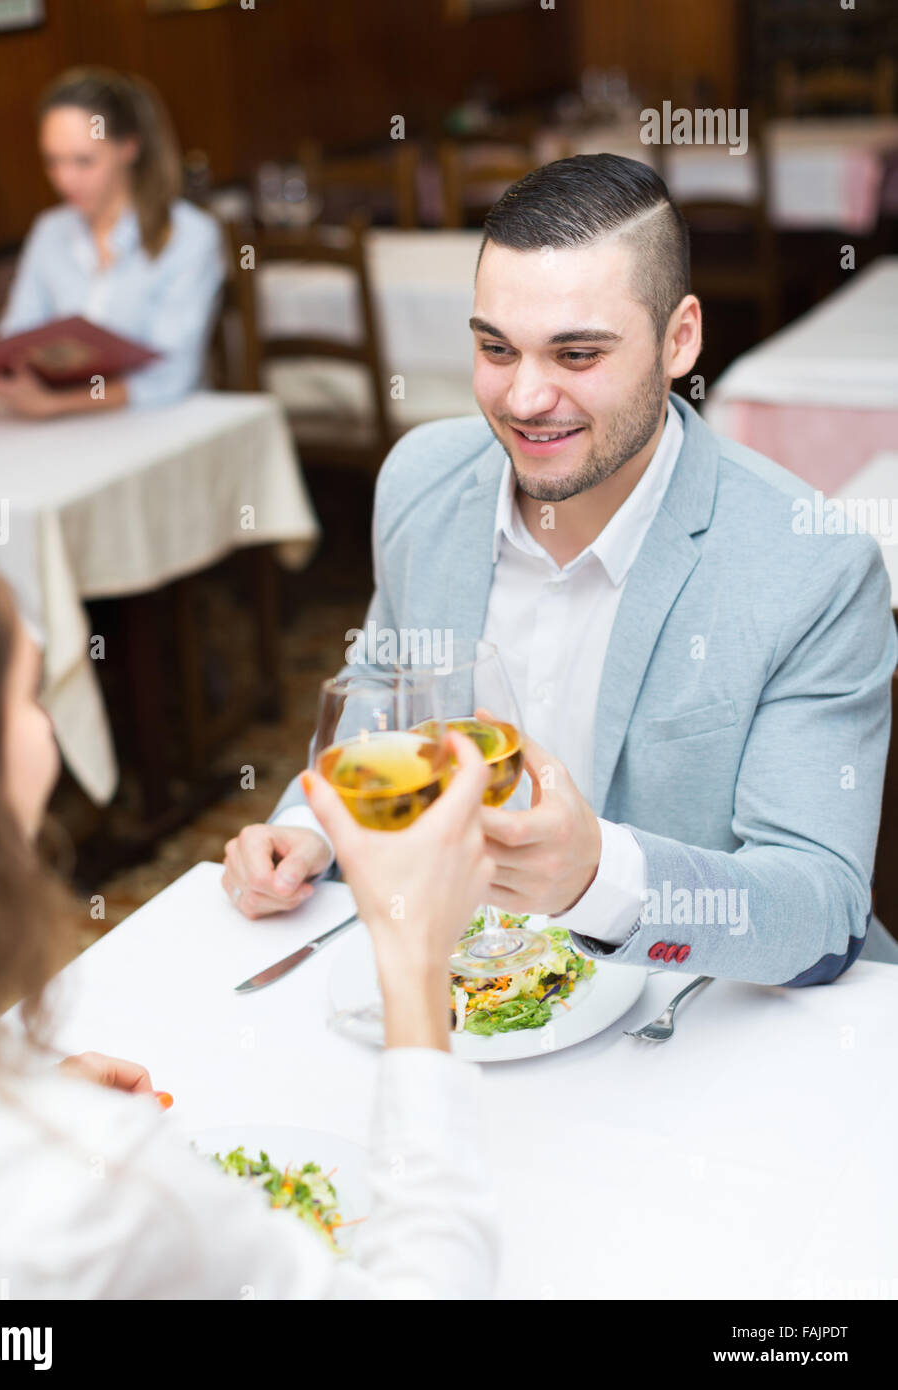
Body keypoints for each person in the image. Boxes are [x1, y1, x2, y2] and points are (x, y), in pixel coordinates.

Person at [222, 153, 898, 986]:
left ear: (679, 338)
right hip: (474, 993)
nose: (524, 398)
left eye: (576, 355)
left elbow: (818, 908)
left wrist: (597, 879)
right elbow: (383, 679)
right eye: (496, 348)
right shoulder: (419, 480)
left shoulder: (811, 566)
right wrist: (311, 829)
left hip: (707, 1023)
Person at [0, 527, 498, 1298]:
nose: (49, 728)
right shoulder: (91, 1195)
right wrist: (416, 965)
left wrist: (16, 1101)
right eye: (25, 696)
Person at [0, 67, 225, 419]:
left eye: (84, 161)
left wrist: (56, 405)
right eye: (52, 161)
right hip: (68, 427)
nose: (65, 180)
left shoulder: (190, 235)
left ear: (129, 146)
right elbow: (16, 334)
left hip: (163, 425)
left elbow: (172, 378)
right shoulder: (50, 230)